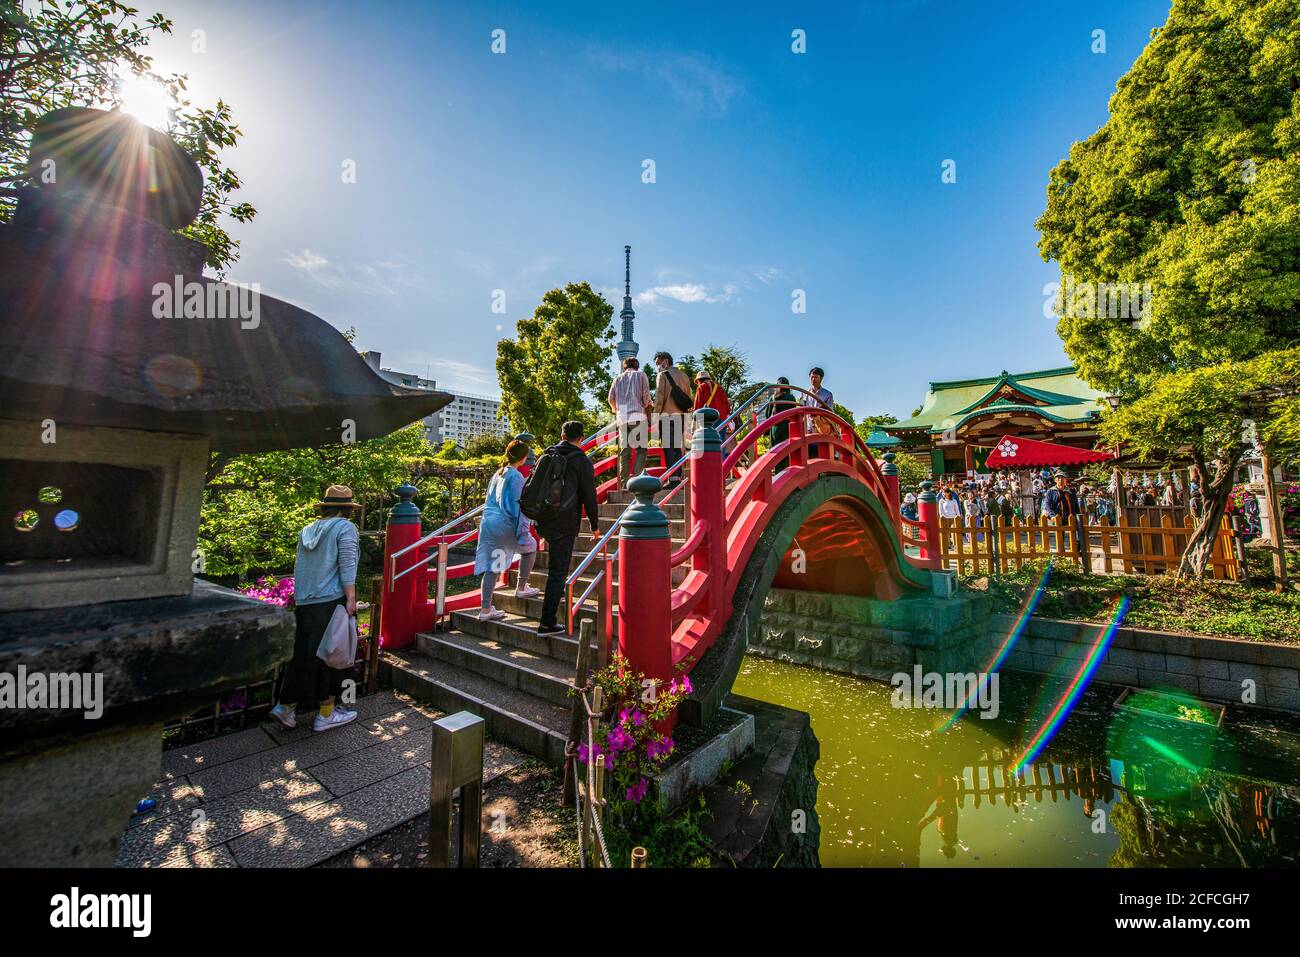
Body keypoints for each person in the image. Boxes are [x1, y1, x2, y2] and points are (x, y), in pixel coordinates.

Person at [268, 485, 361, 733]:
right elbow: (347, 564)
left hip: (305, 602)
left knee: (301, 655)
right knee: (330, 657)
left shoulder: (307, 530)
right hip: (331, 601)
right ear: (348, 509)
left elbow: (300, 566)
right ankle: (326, 713)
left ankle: (285, 707)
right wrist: (351, 598)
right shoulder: (345, 528)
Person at [537, 420, 600, 637]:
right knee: (558, 572)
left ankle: (557, 598)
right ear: (581, 438)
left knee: (556, 571)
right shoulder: (581, 461)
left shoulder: (547, 454)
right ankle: (547, 623)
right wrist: (595, 525)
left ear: (562, 435)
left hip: (545, 520)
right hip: (564, 522)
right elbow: (589, 496)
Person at [474, 440, 539, 621]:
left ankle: (486, 609)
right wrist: (522, 530)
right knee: (531, 545)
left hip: (489, 524)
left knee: (493, 566)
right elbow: (516, 507)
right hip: (504, 523)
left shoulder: (498, 473)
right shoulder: (516, 477)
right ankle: (522, 587)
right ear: (524, 458)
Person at [608, 356, 651, 489]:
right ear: (637, 366)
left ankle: (625, 483)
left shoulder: (617, 379)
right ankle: (637, 479)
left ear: (625, 366)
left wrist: (617, 409)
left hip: (622, 418)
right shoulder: (641, 375)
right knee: (641, 450)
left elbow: (610, 398)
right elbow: (646, 396)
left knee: (624, 452)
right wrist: (647, 406)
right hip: (638, 415)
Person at [651, 351, 692, 487]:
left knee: (668, 447)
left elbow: (659, 398)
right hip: (680, 415)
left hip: (667, 415)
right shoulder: (684, 376)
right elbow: (688, 397)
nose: (657, 366)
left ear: (665, 362)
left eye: (658, 363)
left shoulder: (662, 375)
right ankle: (678, 476)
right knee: (677, 447)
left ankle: (673, 478)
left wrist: (655, 417)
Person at [764, 376, 799, 472]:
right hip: (787, 427)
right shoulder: (791, 397)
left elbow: (767, 414)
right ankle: (787, 472)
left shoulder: (773, 398)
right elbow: (795, 413)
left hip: (775, 427)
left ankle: (778, 472)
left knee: (776, 451)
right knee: (786, 451)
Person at [802, 366, 834, 459]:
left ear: (821, 378)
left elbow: (830, 412)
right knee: (809, 451)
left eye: (816, 377)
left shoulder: (827, 394)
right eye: (811, 377)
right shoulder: (805, 393)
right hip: (809, 426)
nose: (813, 379)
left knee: (821, 450)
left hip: (821, 426)